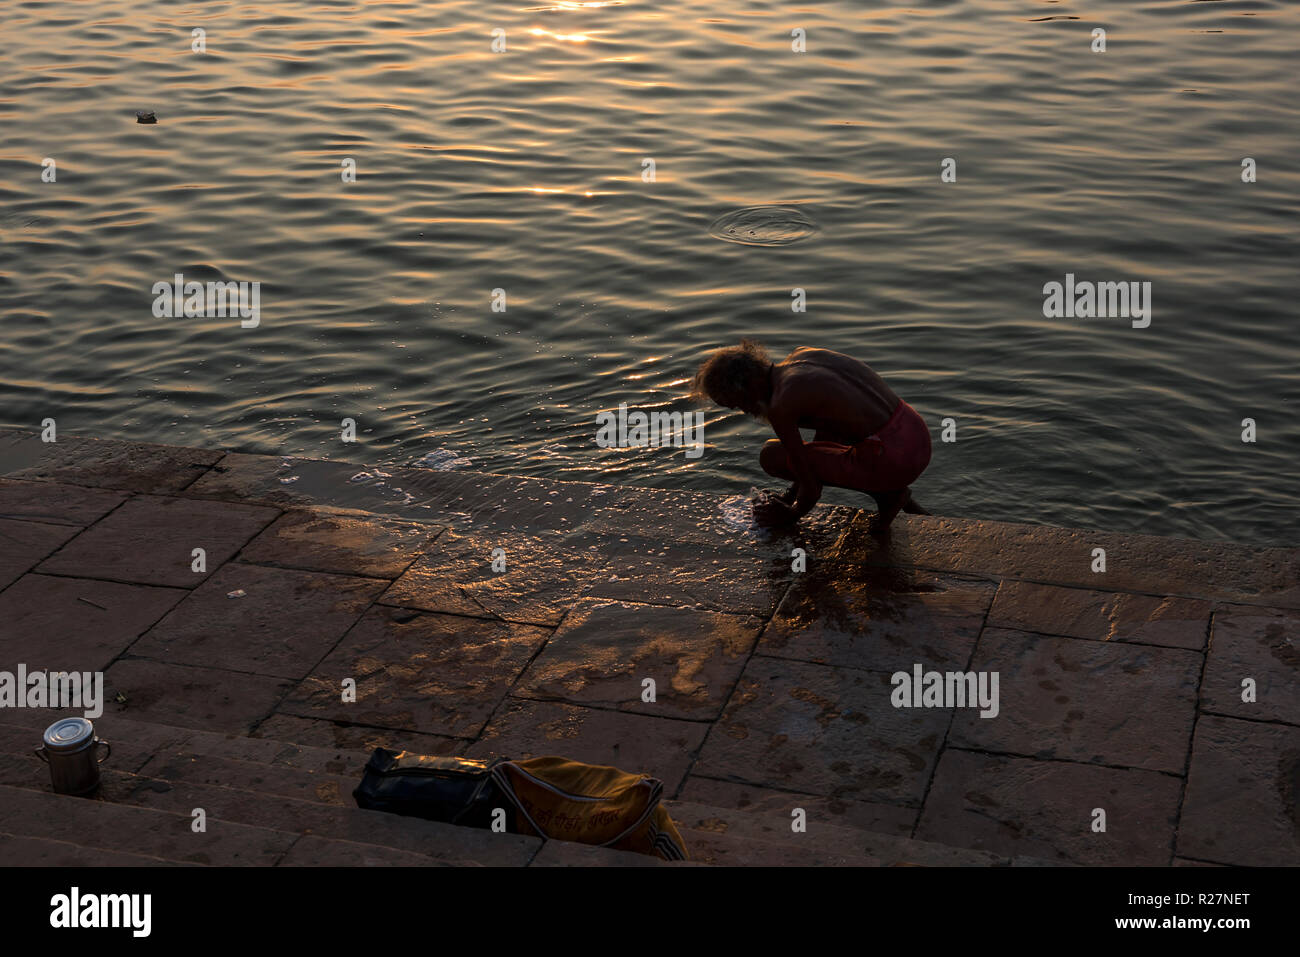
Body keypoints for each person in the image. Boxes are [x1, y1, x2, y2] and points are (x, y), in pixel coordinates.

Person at [691, 339, 931, 531]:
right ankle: (894, 494)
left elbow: (811, 487)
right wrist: (790, 494)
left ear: (746, 387)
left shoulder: (781, 405)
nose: (745, 411)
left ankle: (890, 494)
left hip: (893, 459)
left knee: (771, 455)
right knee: (818, 451)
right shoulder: (805, 355)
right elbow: (834, 425)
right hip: (916, 436)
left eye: (738, 403)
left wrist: (790, 513)